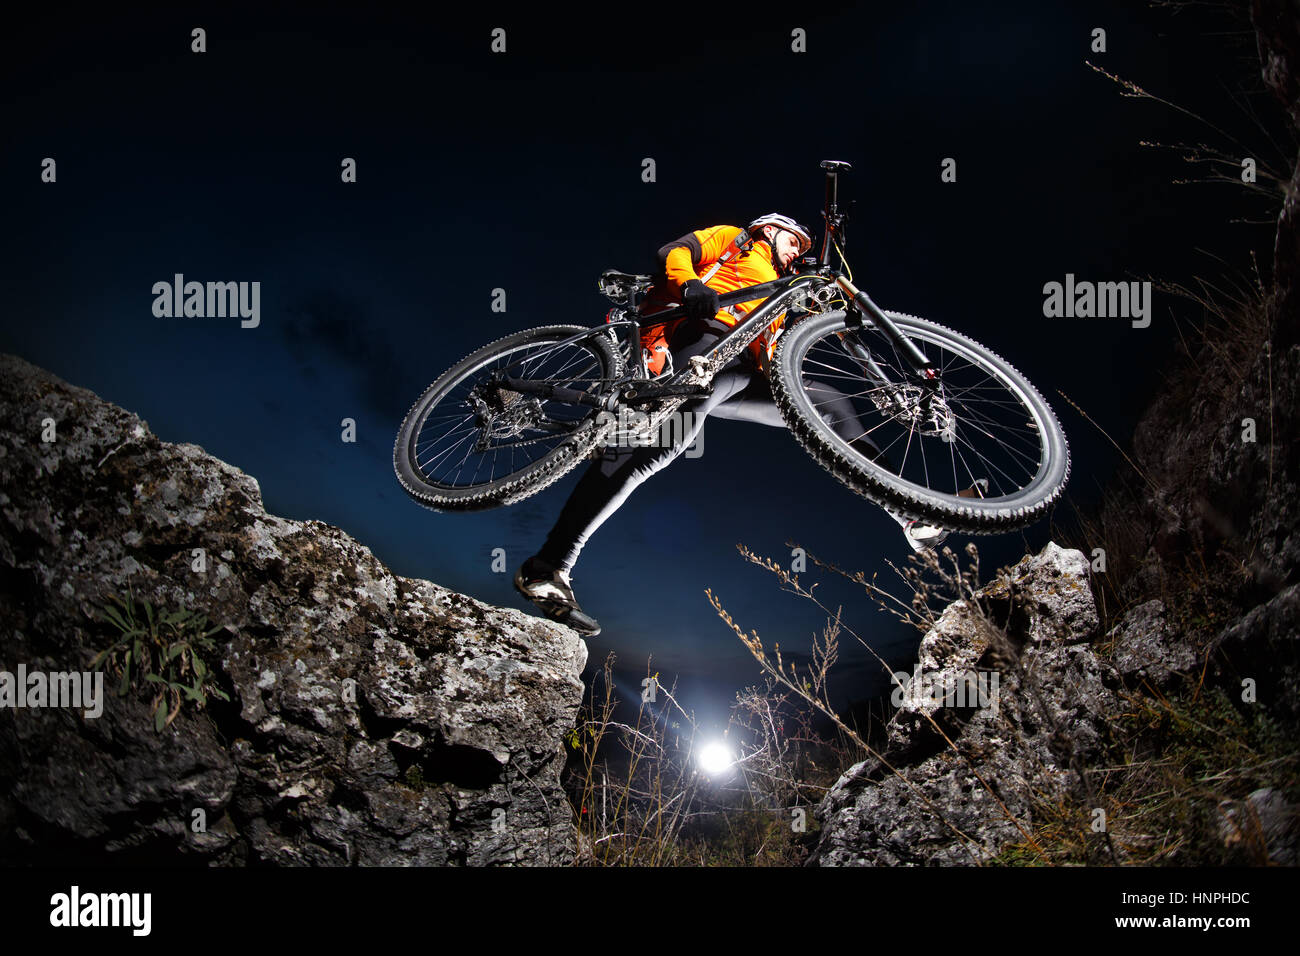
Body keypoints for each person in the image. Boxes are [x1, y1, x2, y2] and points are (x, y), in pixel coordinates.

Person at [514, 214, 979, 636]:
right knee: (652, 452)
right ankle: (547, 566)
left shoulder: (780, 285)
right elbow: (673, 252)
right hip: (706, 338)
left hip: (746, 375)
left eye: (802, 248)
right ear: (770, 231)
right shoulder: (736, 241)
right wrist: (691, 284)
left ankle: (909, 510)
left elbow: (827, 325)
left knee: (832, 405)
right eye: (793, 241)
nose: (796, 251)